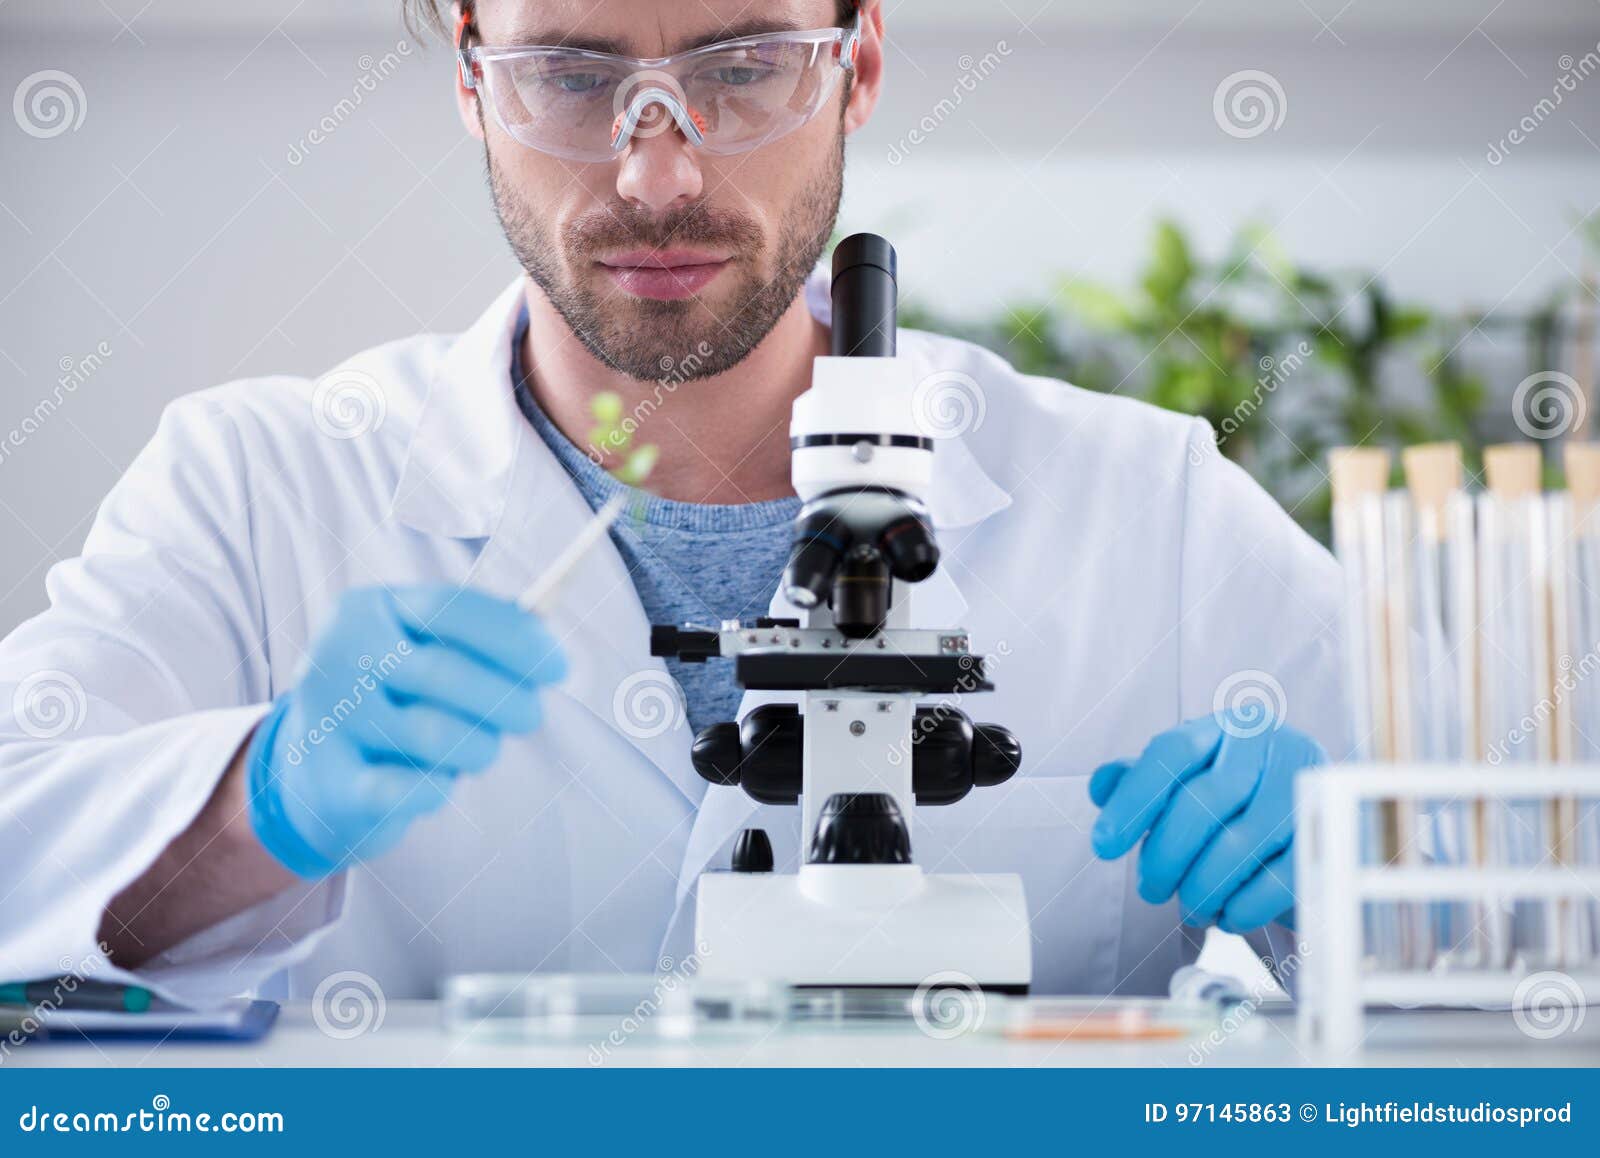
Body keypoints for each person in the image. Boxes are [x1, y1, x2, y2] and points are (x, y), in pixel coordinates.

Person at [0, 0, 1344, 1004]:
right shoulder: (257, 489)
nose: (658, 179)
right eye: (573, 76)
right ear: (472, 80)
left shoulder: (1148, 510)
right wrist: (256, 806)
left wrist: (1346, 872)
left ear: (856, 63)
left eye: (744, 65)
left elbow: (1525, 921)